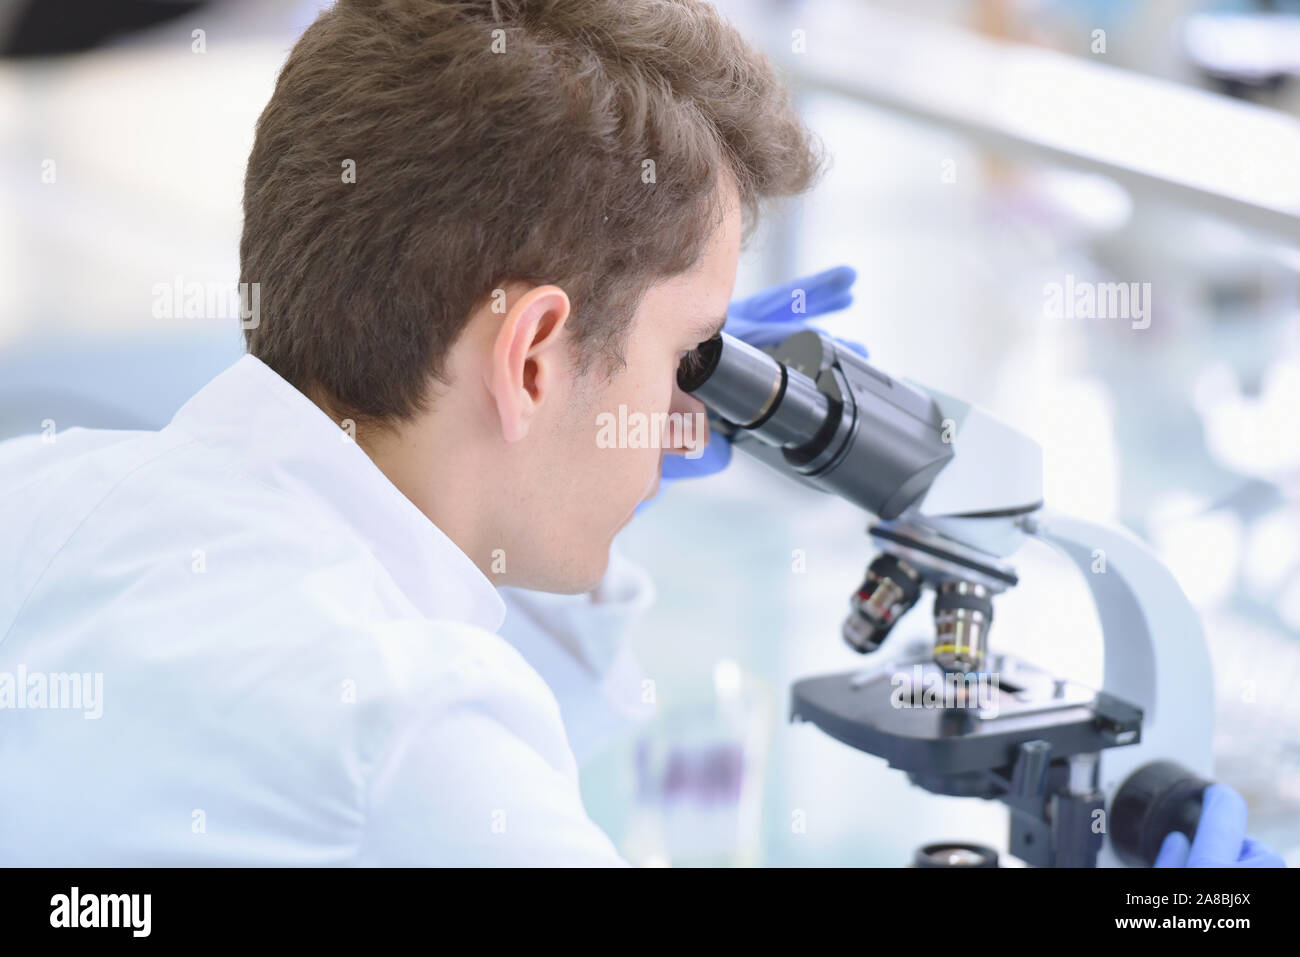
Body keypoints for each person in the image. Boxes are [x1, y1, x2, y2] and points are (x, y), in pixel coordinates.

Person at [0, 0, 1282, 868]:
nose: (691, 424)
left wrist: (619, 405)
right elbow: (437, 750)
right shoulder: (416, 743)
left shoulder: (40, 492)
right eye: (695, 360)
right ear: (532, 353)